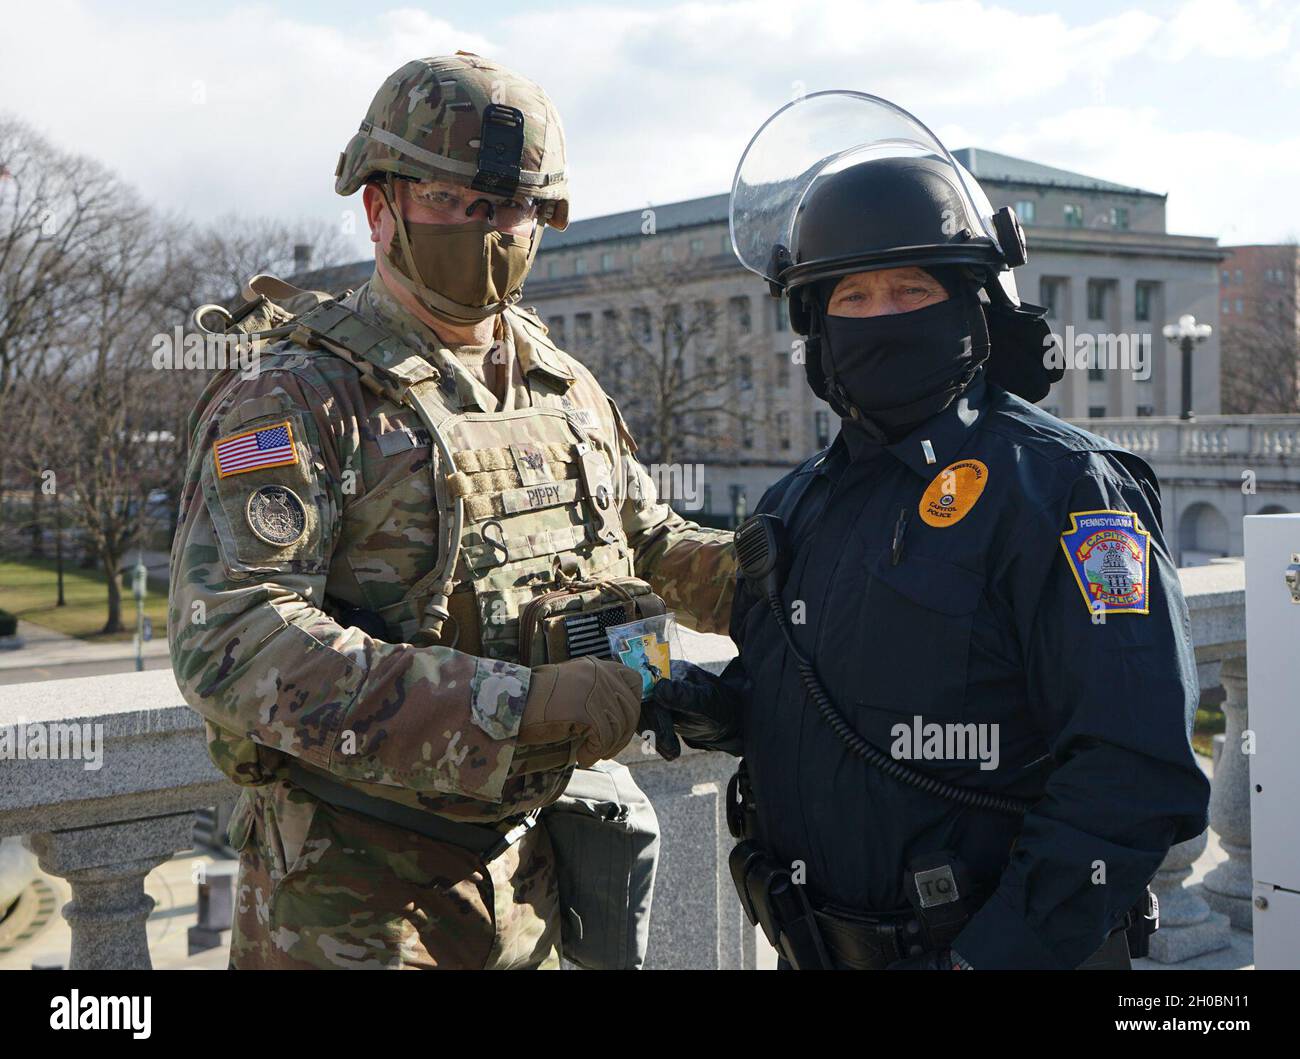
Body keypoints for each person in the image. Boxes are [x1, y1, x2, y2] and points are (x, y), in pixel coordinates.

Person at [168, 53, 735, 970]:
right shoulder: (298, 395)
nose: (488, 228)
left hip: (536, 882)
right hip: (354, 908)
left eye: (512, 205)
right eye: (451, 199)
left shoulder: (563, 385)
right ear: (378, 206)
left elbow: (650, 543)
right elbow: (236, 638)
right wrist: (516, 705)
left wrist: (778, 577)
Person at [645, 92, 1210, 970]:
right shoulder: (795, 506)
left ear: (971, 307)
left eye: (911, 288)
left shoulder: (1062, 489)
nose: (881, 314)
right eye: (854, 295)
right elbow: (847, 695)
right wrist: (724, 705)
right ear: (816, 327)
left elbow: (1134, 771)